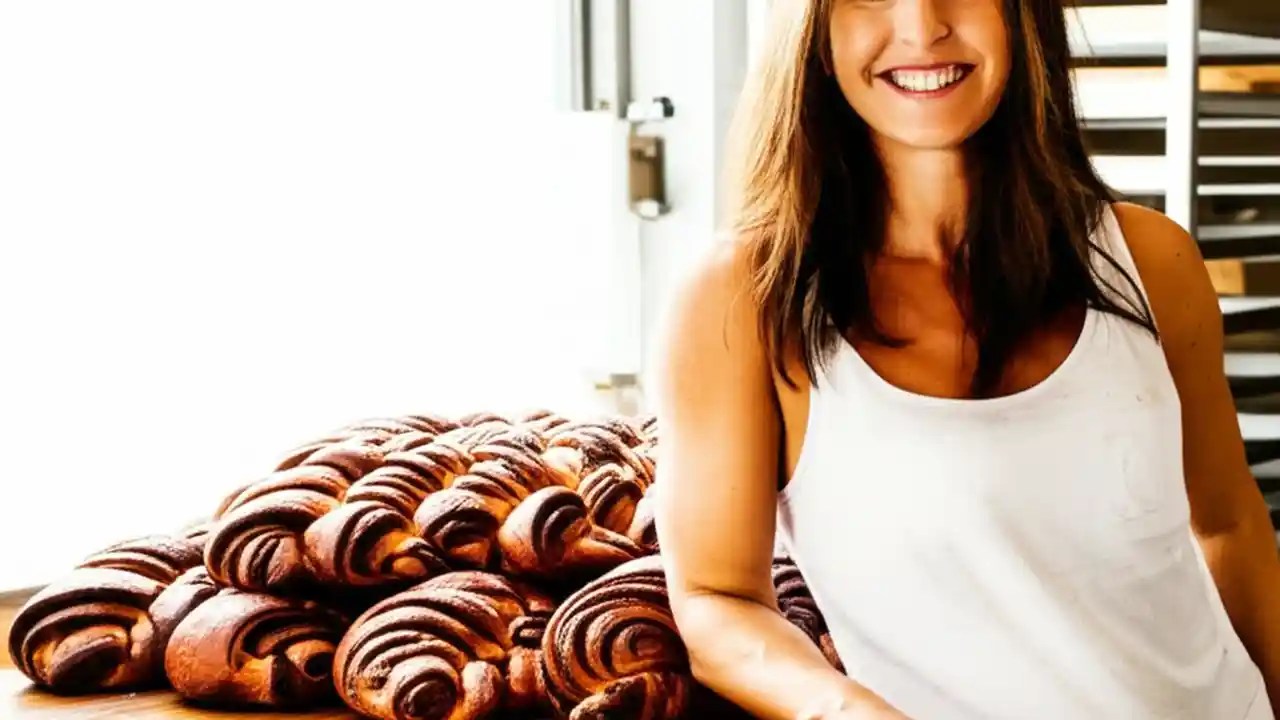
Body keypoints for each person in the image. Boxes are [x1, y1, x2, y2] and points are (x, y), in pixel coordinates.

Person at [650, 0, 1280, 718]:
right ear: (815, 31)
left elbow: (1229, 526)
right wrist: (850, 711)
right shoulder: (744, 301)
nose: (923, 26)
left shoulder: (1151, 260)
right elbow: (717, 601)